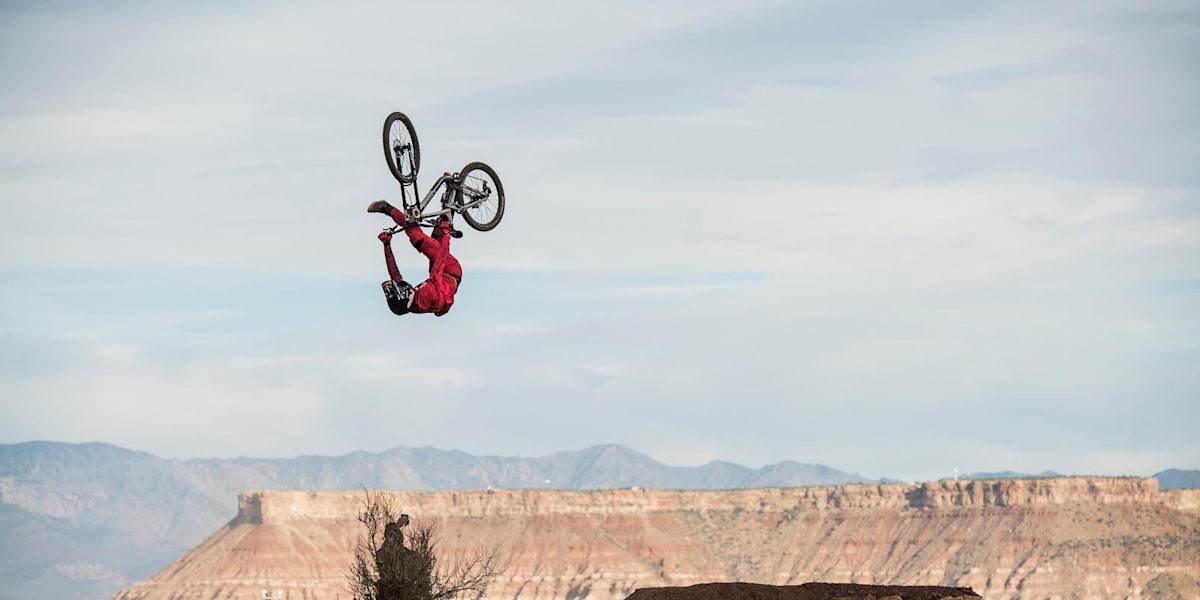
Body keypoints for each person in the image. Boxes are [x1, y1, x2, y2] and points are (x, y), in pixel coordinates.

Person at [367, 200, 463, 317]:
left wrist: (387, 245)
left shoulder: (409, 302)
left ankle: (450, 201)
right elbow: (440, 262)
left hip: (442, 279)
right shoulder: (428, 294)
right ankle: (387, 208)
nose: (401, 285)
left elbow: (395, 274)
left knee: (433, 240)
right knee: (418, 239)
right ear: (404, 295)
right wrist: (446, 234)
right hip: (451, 270)